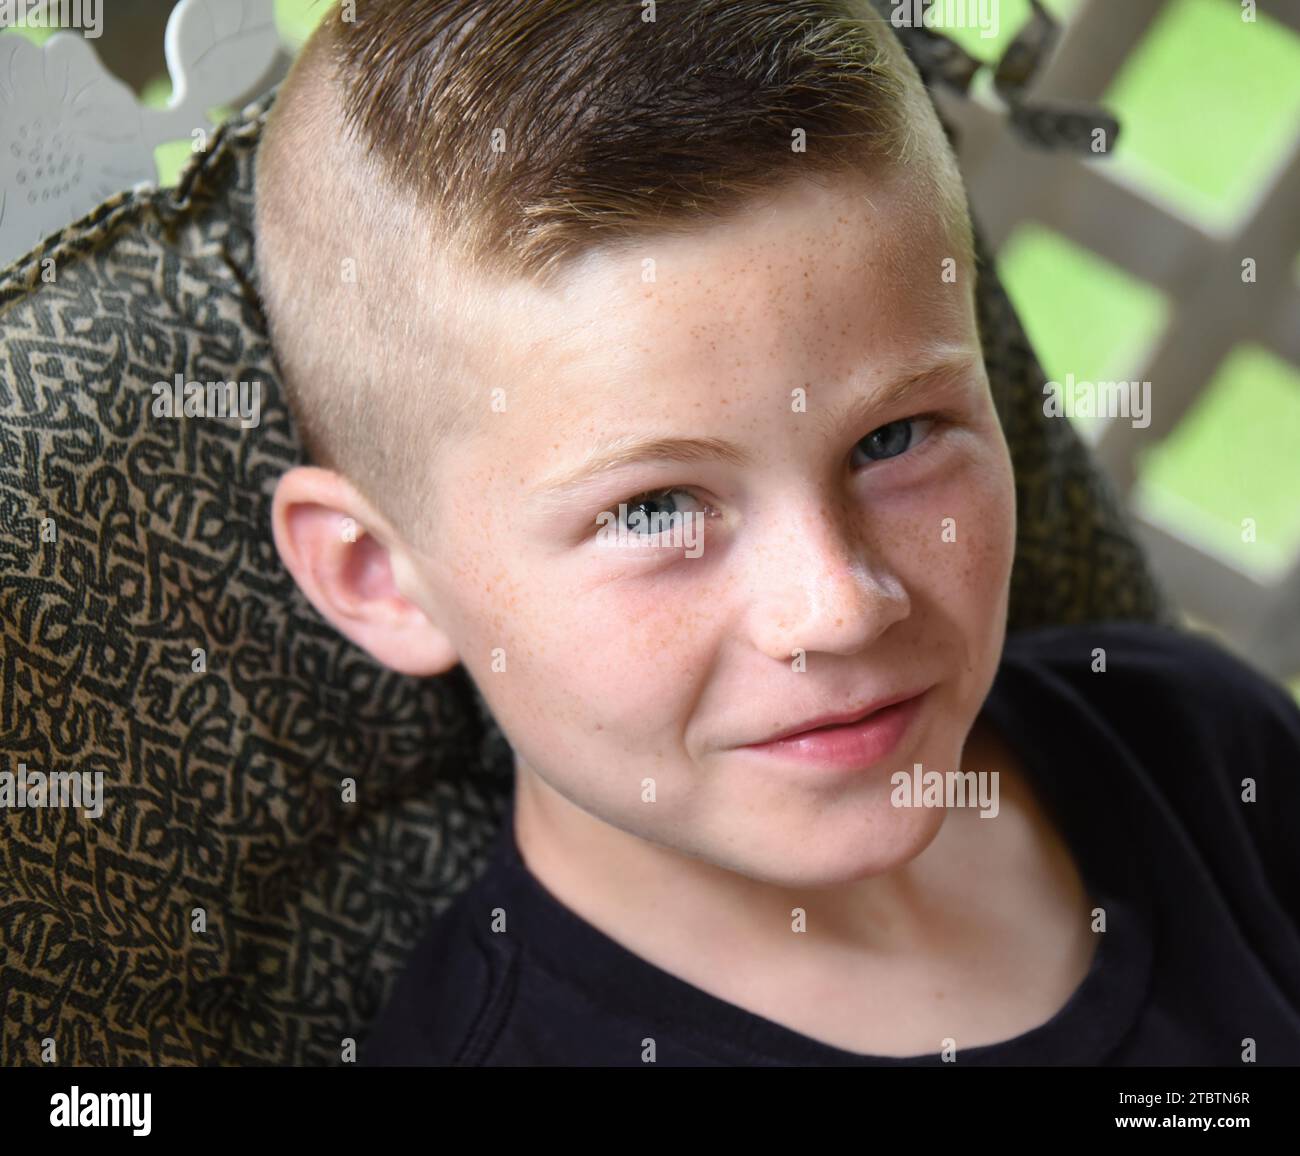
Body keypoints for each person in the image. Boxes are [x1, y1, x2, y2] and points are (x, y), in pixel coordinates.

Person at [251, 0, 1300, 1065]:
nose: (838, 606)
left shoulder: (1200, 748)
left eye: (894, 436)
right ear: (377, 573)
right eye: (654, 508)